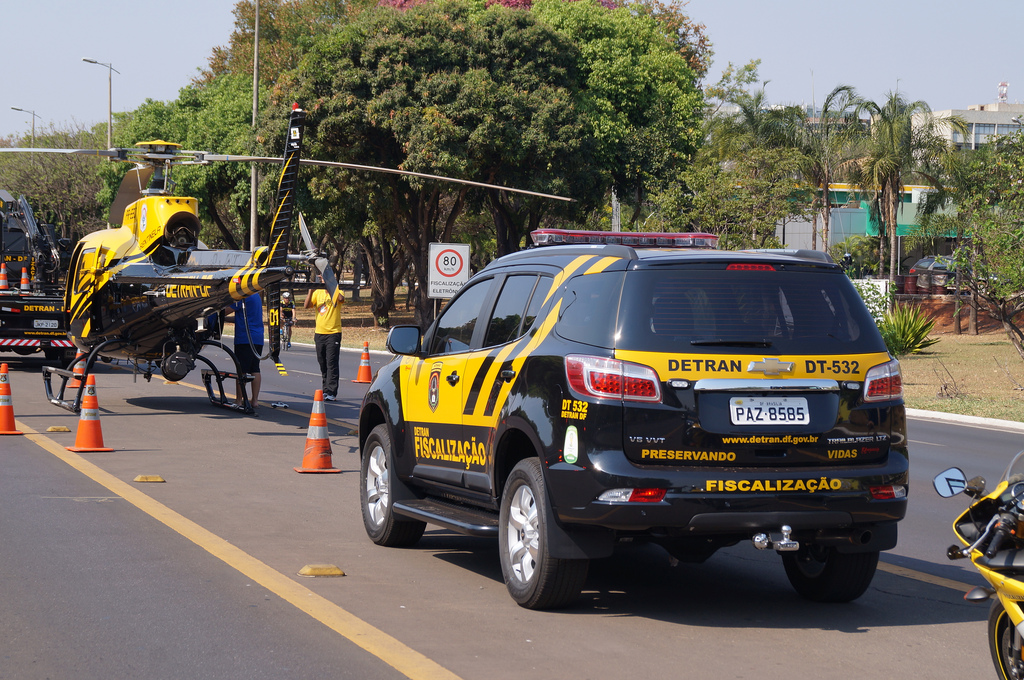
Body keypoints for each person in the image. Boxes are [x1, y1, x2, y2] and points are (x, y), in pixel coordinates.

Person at [304, 285, 344, 401]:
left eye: (324, 277)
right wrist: (310, 291)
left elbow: (341, 299)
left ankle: (332, 391)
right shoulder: (317, 292)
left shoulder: (337, 290)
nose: (322, 280)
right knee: (322, 362)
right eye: (321, 278)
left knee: (331, 362)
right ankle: (325, 390)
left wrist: (331, 287)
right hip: (319, 333)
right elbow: (306, 306)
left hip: (333, 332)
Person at [227, 293, 264, 411]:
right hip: (257, 337)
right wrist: (225, 319)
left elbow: (226, 310)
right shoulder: (256, 296)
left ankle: (239, 399)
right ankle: (255, 400)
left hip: (245, 338)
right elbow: (241, 317)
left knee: (241, 370)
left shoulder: (243, 296)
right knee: (255, 369)